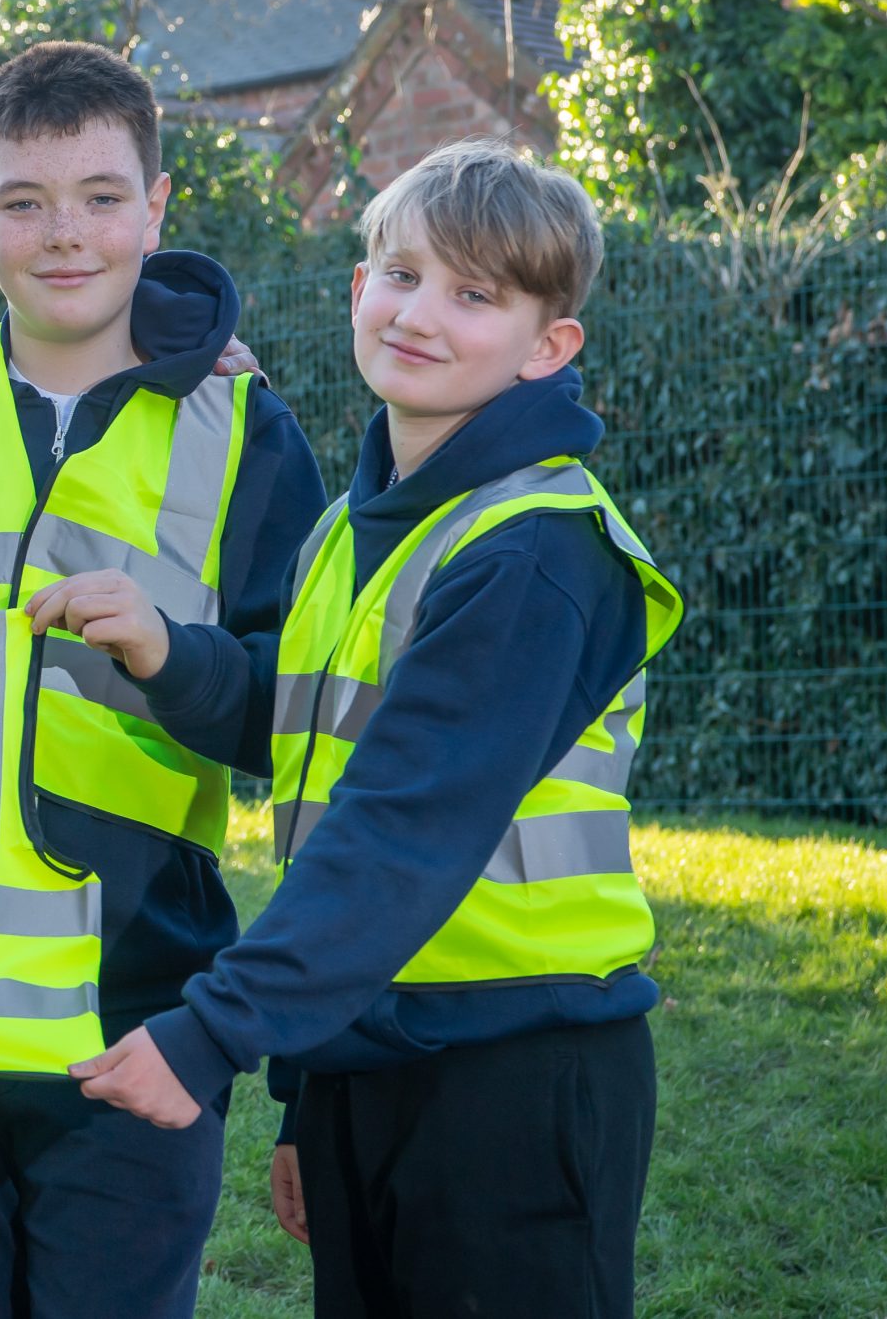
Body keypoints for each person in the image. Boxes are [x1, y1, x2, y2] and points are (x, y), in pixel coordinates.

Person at [65, 141, 683, 1319]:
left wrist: (213, 1038)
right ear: (357, 290)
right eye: (399, 275)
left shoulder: (537, 549)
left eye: (474, 294)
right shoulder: (355, 525)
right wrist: (166, 652)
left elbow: (404, 825)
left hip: (514, 1070)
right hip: (368, 1054)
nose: (418, 315)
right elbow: (307, 741)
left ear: (548, 348)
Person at [0, 40, 327, 1319]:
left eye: (98, 195)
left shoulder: (249, 430)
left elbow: (293, 730)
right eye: (23, 201)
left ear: (155, 207)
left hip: (133, 1002)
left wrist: (169, 654)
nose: (63, 233)